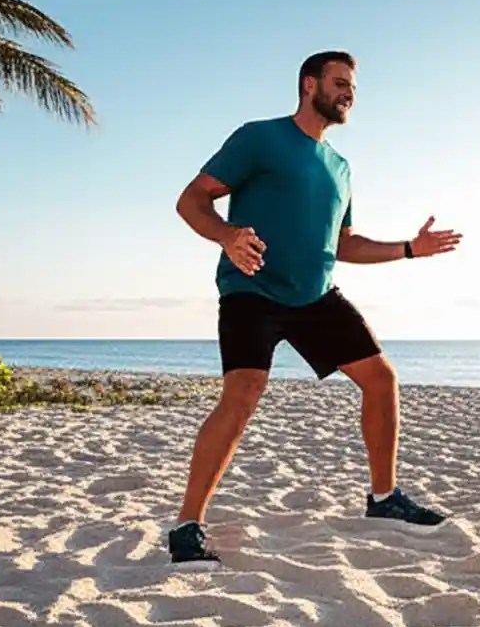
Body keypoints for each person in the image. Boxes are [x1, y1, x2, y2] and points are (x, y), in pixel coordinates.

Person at [168, 50, 463, 566]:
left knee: (381, 378)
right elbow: (192, 200)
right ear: (310, 85)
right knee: (243, 393)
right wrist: (227, 236)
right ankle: (188, 524)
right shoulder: (260, 138)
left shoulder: (341, 168)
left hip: (315, 295)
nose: (349, 93)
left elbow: (343, 244)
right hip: (252, 288)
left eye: (353, 87)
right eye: (340, 83)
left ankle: (383, 498)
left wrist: (410, 248)